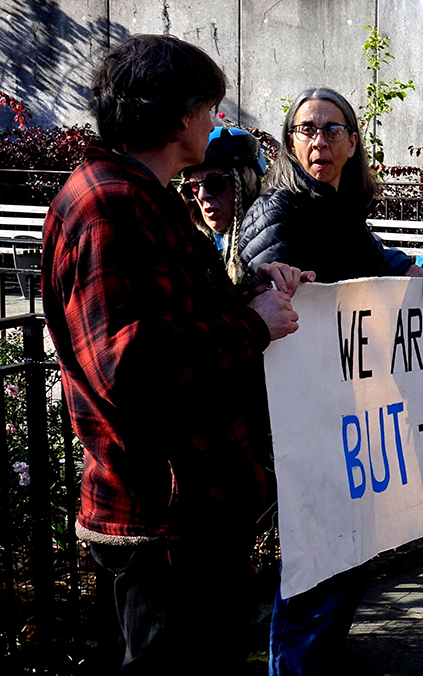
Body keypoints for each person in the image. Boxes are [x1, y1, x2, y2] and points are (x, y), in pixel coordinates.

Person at [41, 34, 310, 674]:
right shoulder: (113, 205)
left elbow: (165, 313)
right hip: (166, 519)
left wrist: (252, 289)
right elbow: (130, 364)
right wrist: (251, 324)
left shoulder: (131, 194)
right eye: (211, 107)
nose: (217, 122)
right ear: (179, 114)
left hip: (183, 511)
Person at [237, 87, 423, 675]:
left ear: (353, 141)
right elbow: (278, 298)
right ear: (289, 142)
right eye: (305, 130)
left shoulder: (338, 208)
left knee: (349, 554)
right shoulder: (278, 211)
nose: (318, 140)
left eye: (330, 129)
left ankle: (315, 660)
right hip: (306, 415)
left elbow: (382, 261)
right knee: (316, 558)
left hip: (348, 408)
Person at [179, 126, 267, 284]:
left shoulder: (269, 235)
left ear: (246, 184)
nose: (202, 195)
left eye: (215, 182)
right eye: (193, 187)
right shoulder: (186, 244)